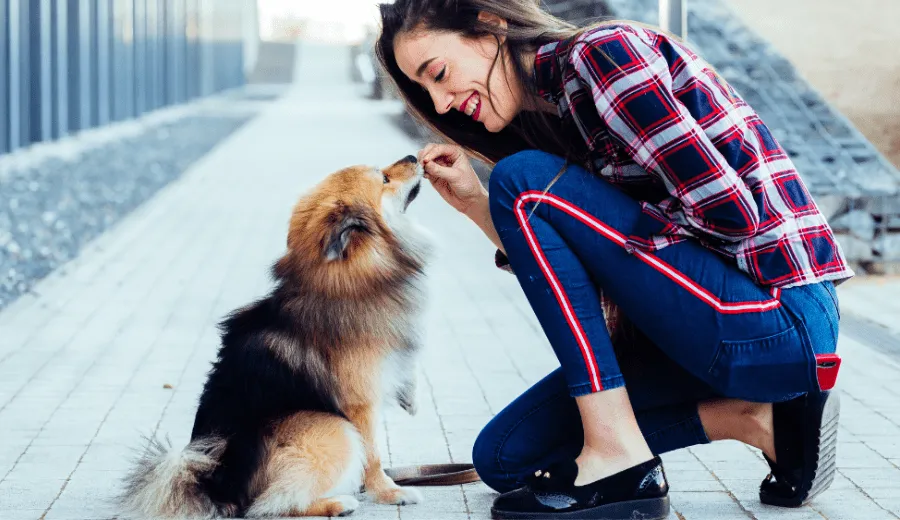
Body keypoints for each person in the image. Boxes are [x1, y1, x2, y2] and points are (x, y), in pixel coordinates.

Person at [376, 1, 852, 518]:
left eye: (439, 74)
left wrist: (607, 246)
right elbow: (575, 273)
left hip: (778, 317)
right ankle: (758, 421)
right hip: (705, 327)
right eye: (427, 92)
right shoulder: (559, 113)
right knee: (507, 459)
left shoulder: (603, 56)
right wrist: (475, 203)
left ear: (491, 26)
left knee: (522, 181)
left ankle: (618, 452)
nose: (441, 105)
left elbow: (731, 213)